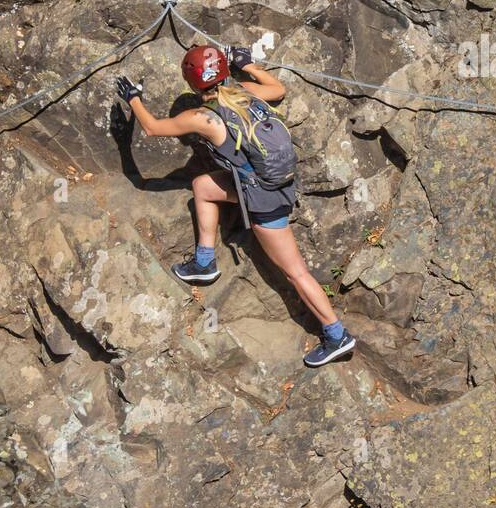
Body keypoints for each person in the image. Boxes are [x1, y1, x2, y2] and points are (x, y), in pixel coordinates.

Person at [115, 45, 356, 368]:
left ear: (192, 82)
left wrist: (133, 98)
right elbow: (278, 89)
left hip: (264, 200)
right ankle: (204, 262)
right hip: (274, 183)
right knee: (203, 185)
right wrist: (249, 64)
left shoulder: (203, 118)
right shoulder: (244, 91)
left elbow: (152, 128)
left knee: (296, 273)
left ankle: (336, 334)